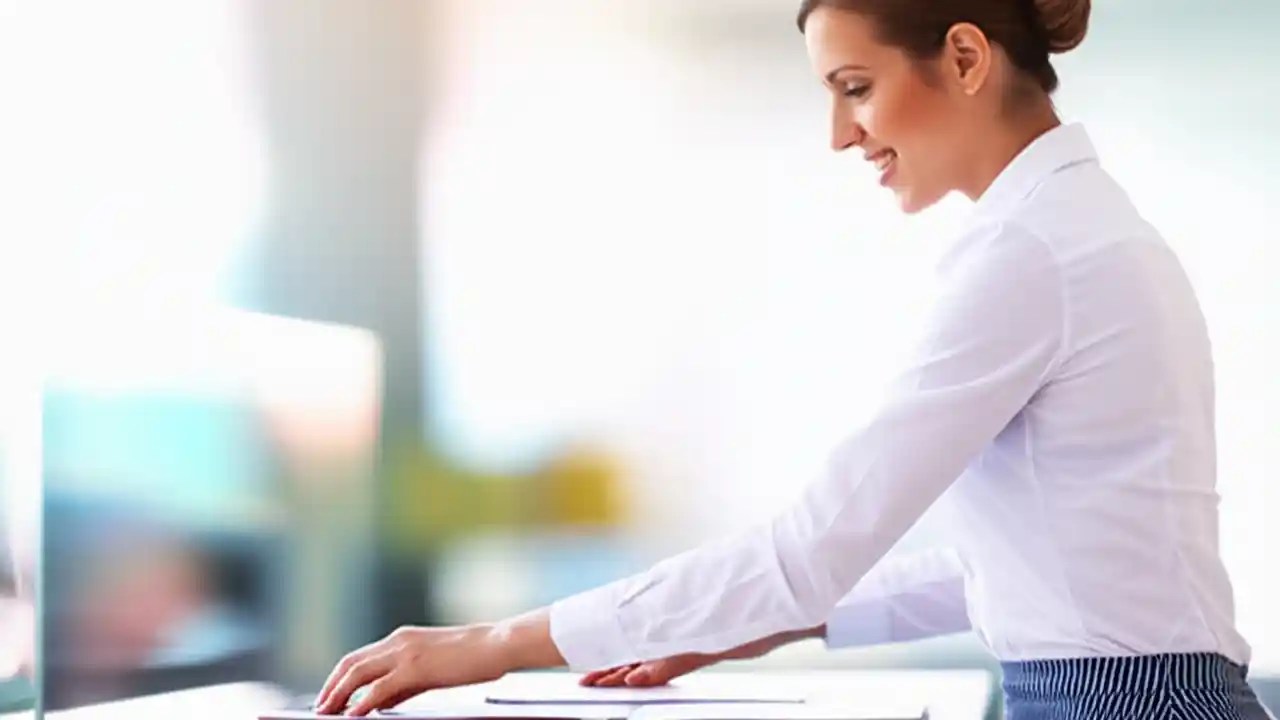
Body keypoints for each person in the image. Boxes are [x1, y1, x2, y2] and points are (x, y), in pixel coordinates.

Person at [315, 1, 1274, 718]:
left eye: (855, 88)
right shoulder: (1086, 234)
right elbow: (1020, 570)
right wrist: (746, 622)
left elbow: (808, 550)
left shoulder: (1032, 254)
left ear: (967, 56)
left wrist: (493, 643)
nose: (840, 134)